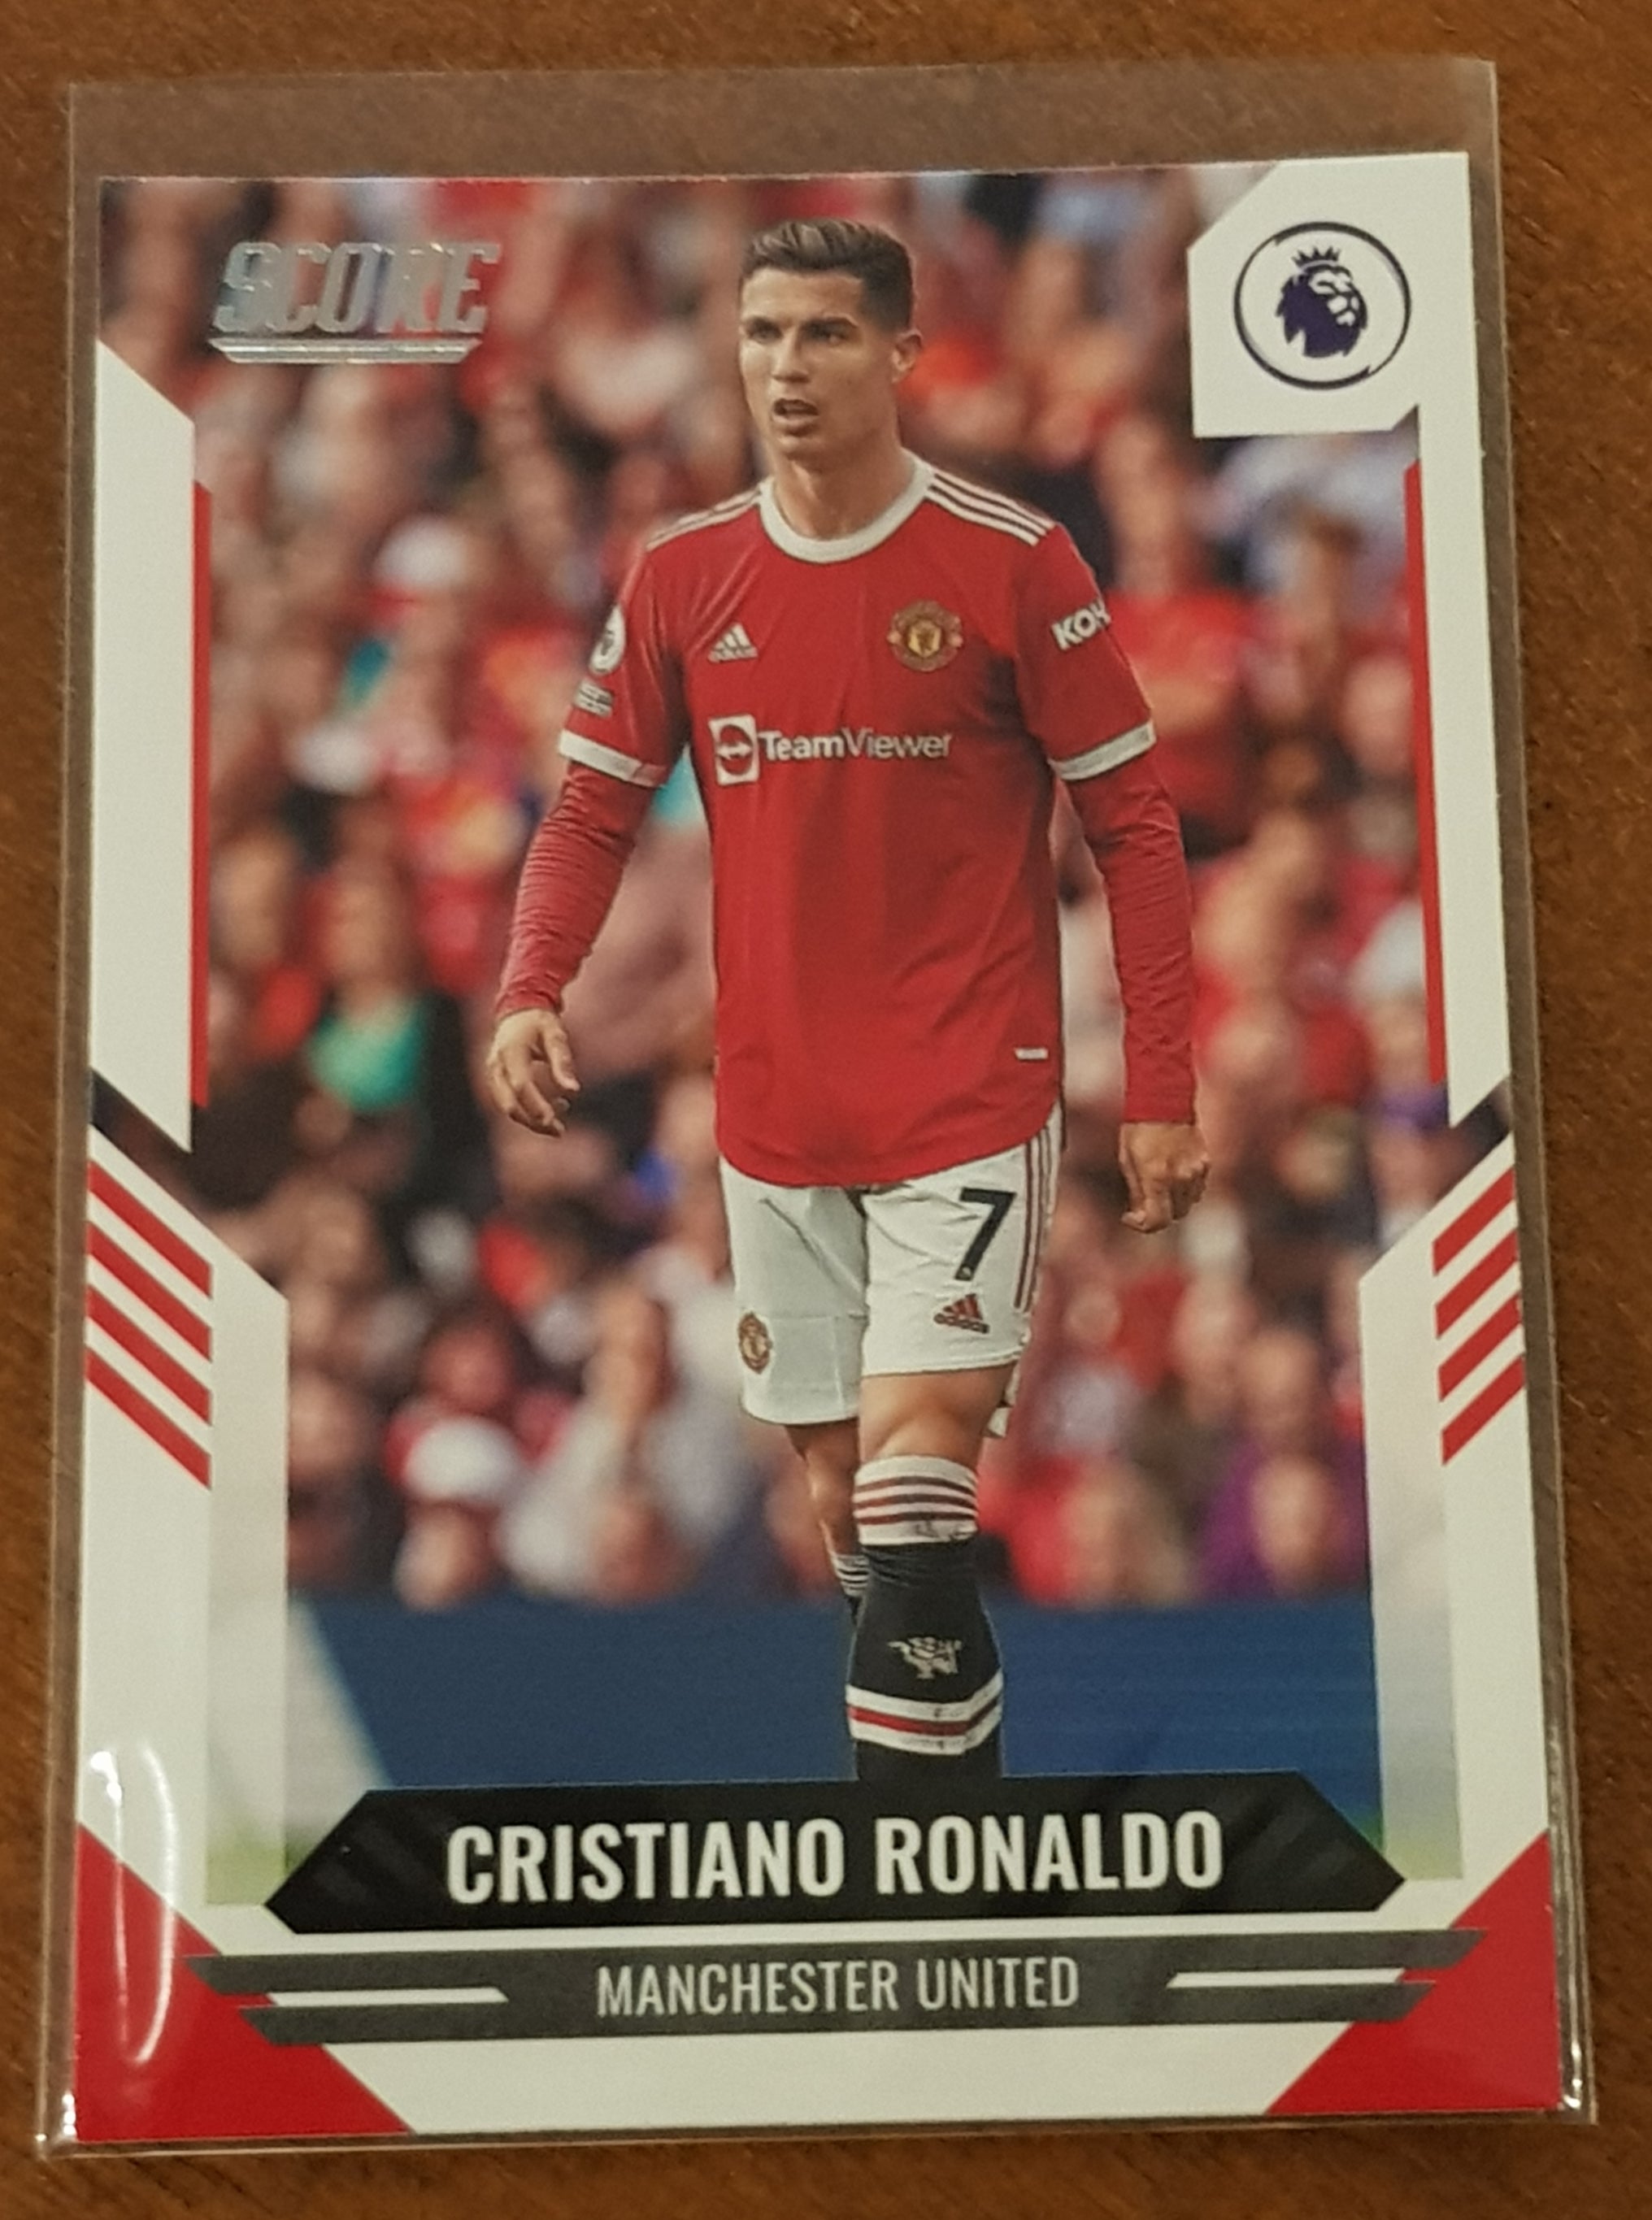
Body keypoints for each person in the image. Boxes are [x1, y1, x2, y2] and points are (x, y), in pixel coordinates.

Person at [489, 218, 1207, 1779]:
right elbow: (592, 807)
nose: (787, 366)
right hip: (775, 1108)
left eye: (824, 333)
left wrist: (1160, 1085)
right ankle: (969, 1772)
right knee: (840, 1496)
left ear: (902, 357)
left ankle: (917, 1841)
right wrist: (531, 984)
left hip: (970, 1086)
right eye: (763, 333)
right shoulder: (684, 574)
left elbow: (1136, 827)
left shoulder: (1015, 562)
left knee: (915, 1453)